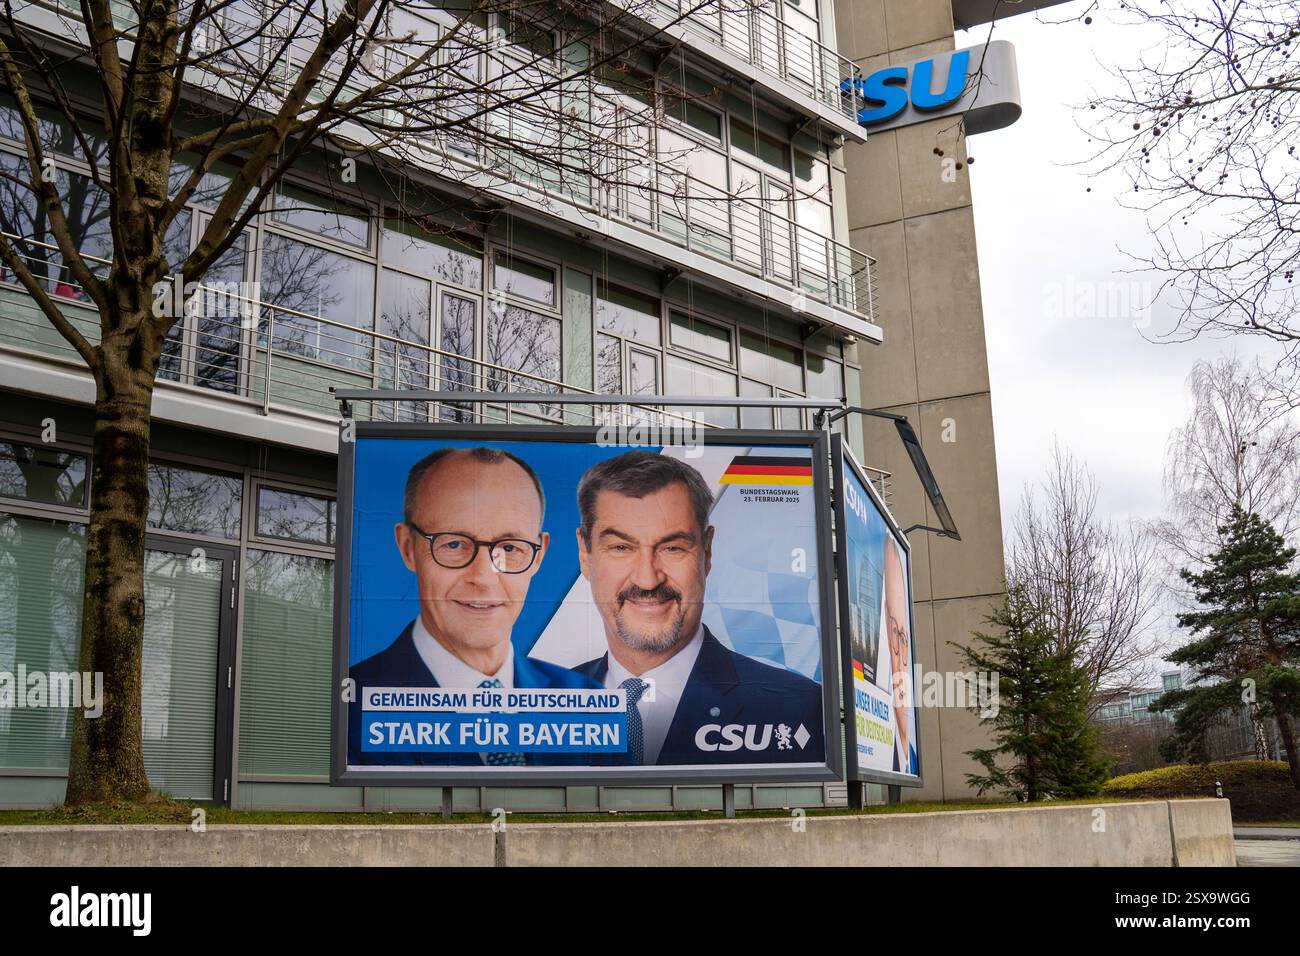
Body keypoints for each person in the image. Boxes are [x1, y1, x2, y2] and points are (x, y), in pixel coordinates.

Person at [573, 450, 824, 765]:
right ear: (585, 554)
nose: (648, 579)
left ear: (707, 552)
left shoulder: (796, 705)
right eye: (622, 547)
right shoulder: (536, 709)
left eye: (673, 548)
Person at [348, 446, 594, 767]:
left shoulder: (590, 706)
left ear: (538, 556)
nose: (483, 577)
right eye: (453, 544)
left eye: (509, 547)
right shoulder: (349, 710)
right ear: (408, 547)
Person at [883, 536, 918, 776]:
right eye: (894, 632)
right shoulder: (882, 755)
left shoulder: (911, 759)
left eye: (903, 637)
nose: (900, 654)